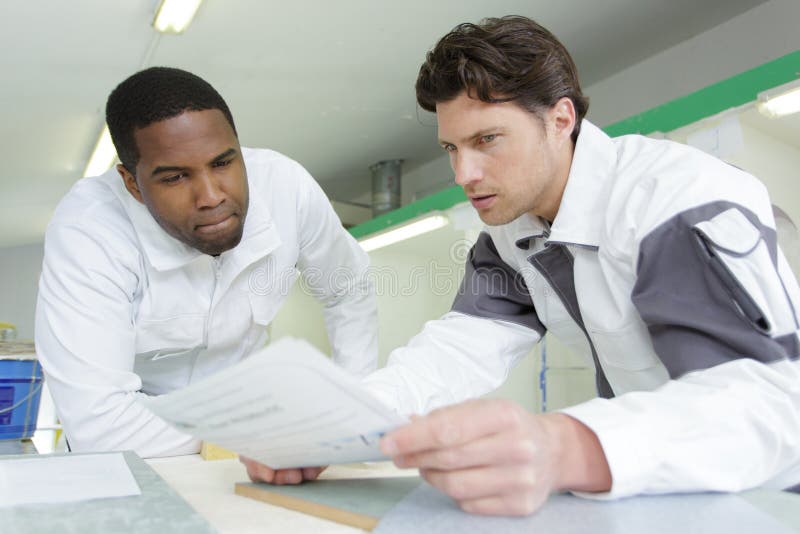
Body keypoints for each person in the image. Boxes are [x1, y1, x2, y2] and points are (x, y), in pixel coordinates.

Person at [355, 16, 800, 515]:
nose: (464, 174)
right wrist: (340, 425)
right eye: (452, 148)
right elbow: (453, 353)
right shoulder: (511, 232)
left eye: (487, 140)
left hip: (773, 498)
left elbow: (770, 403)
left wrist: (562, 447)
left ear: (561, 119)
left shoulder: (670, 201)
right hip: (667, 494)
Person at [35, 67, 377, 466]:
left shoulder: (286, 187)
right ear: (132, 183)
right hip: (135, 456)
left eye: (222, 163)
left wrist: (356, 407)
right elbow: (99, 426)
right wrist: (256, 431)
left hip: (250, 447)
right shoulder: (90, 229)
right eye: (176, 177)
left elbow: (348, 287)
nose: (211, 197)